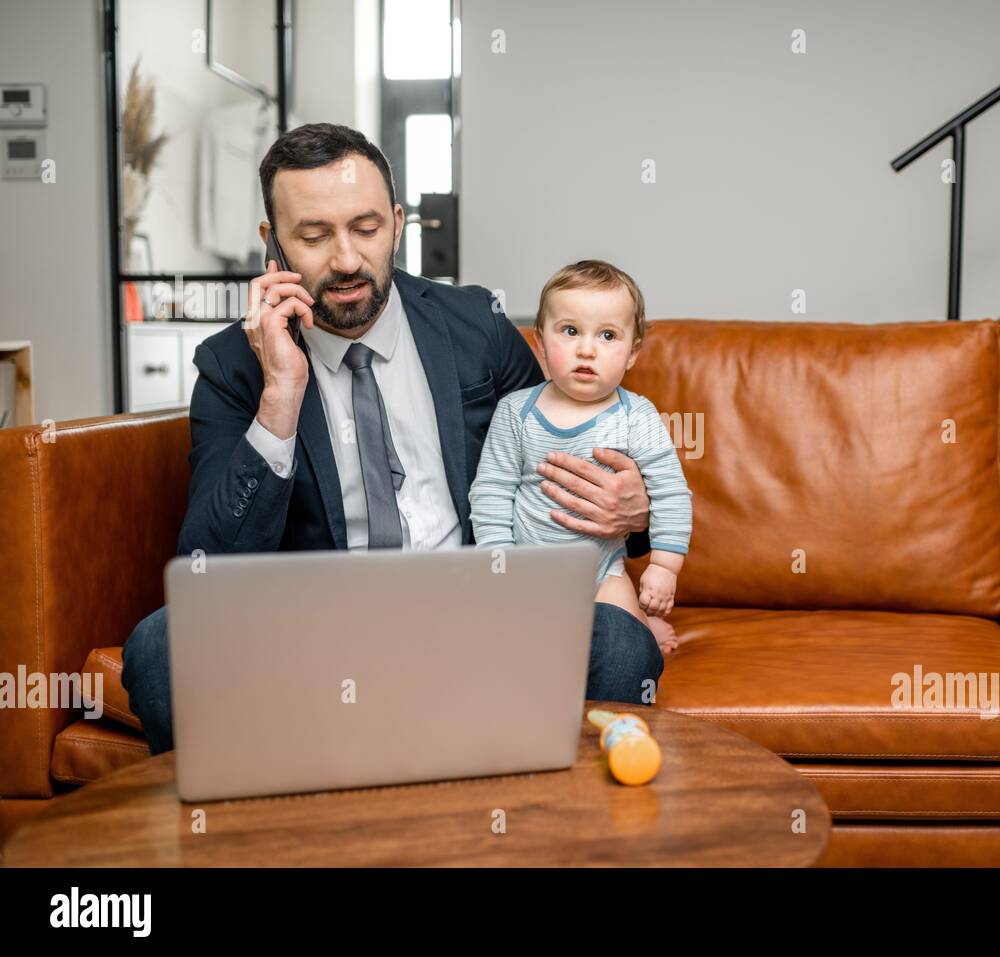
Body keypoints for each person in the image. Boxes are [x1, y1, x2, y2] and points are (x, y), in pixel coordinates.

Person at [121, 123, 667, 756]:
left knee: (623, 644)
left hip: (477, 617)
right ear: (272, 244)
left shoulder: (475, 327)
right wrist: (281, 395)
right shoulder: (233, 367)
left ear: (399, 223)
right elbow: (206, 572)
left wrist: (636, 510)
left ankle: (546, 836)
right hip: (317, 638)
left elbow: (574, 442)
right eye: (315, 235)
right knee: (162, 648)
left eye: (367, 228)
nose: (347, 260)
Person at [469, 261, 692, 652]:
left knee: (623, 649)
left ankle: (641, 626)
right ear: (540, 343)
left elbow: (671, 493)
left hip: (603, 574)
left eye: (608, 335)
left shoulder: (636, 416)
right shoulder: (515, 412)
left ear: (632, 353)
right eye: (570, 331)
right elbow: (492, 490)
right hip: (527, 570)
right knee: (509, 654)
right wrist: (498, 559)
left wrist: (664, 565)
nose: (586, 349)